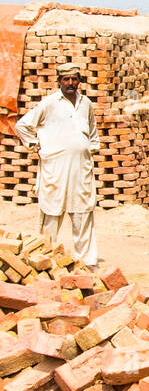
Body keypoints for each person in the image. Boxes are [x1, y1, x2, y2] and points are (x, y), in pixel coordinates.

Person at [15, 61, 100, 267]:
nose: (70, 83)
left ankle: (85, 263)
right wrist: (35, 145)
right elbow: (22, 126)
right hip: (55, 169)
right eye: (66, 79)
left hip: (81, 169)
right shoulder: (49, 103)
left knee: (82, 214)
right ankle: (46, 260)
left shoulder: (86, 103)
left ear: (79, 80)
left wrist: (90, 147)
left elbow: (93, 133)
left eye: (74, 79)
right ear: (59, 81)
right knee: (52, 213)